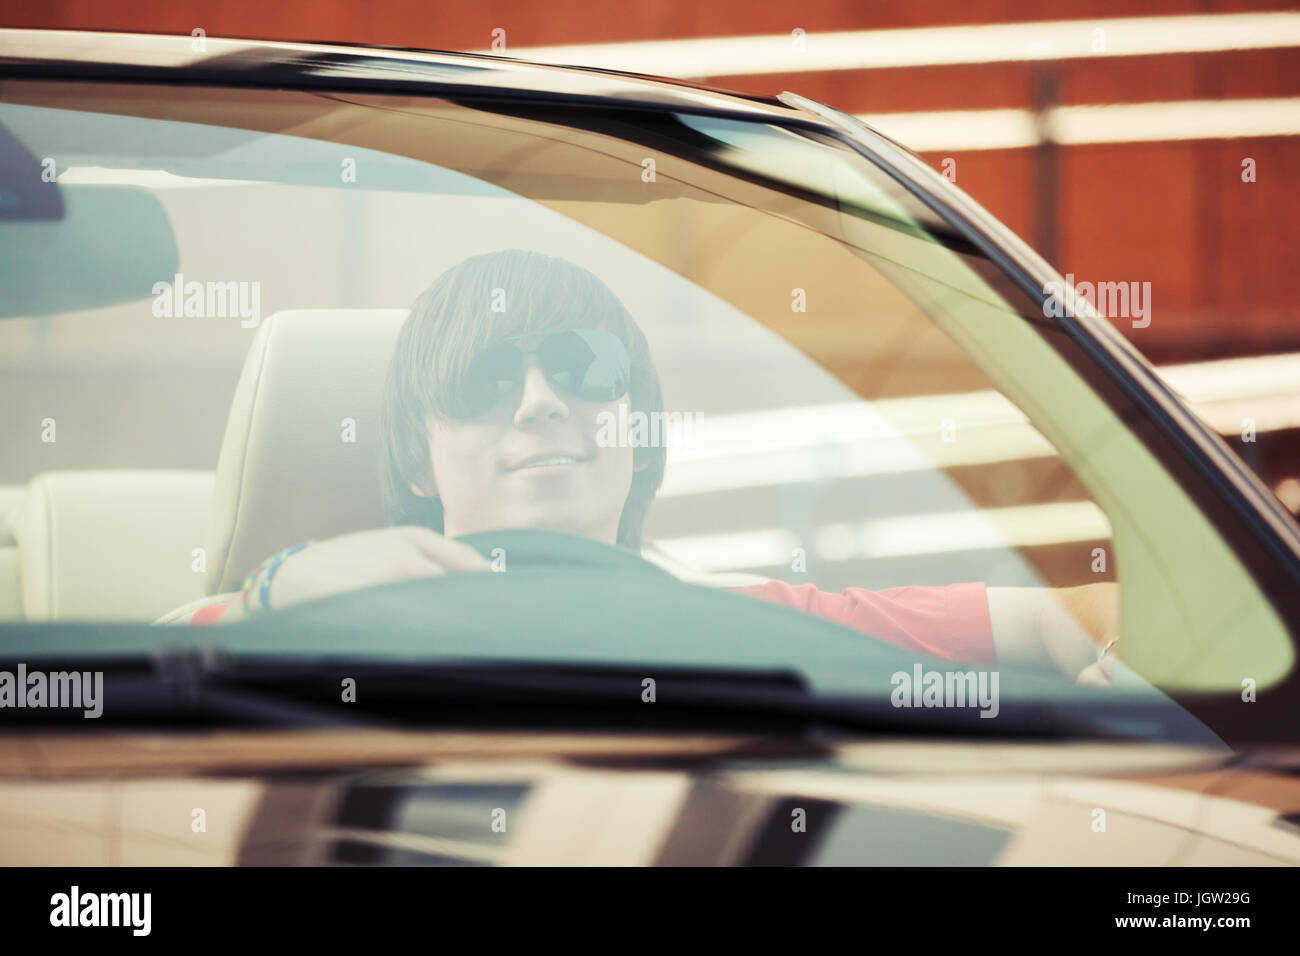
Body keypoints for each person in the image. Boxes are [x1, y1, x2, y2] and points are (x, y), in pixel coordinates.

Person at [200, 249, 1119, 683]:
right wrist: (282, 591)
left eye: (581, 368)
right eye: (484, 379)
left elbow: (1071, 623)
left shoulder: (750, 618)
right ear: (417, 458)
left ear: (635, 427)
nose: (538, 402)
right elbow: (131, 679)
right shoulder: (300, 615)